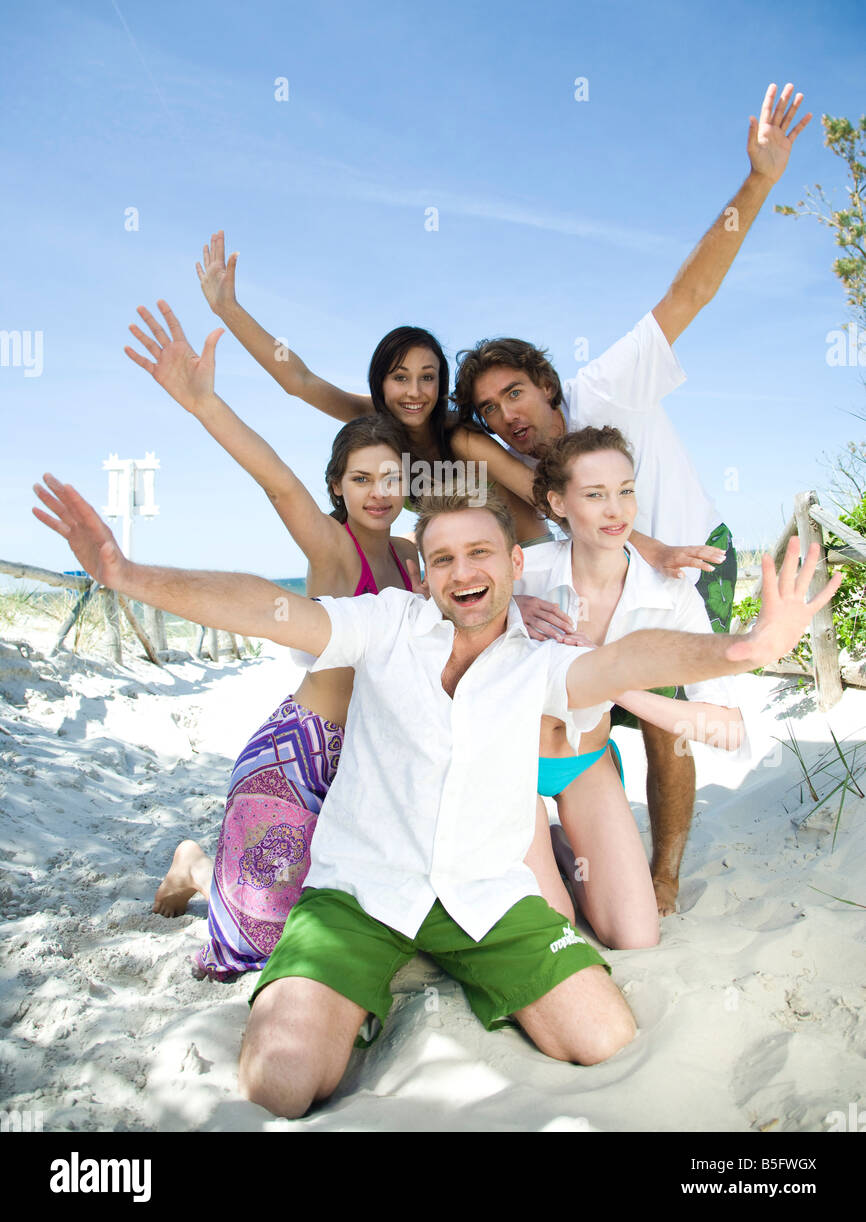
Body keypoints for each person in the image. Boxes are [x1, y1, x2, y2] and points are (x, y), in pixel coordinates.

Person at [32, 476, 839, 1116]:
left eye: (481, 553)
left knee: (605, 1036)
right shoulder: (385, 626)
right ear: (424, 573)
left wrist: (743, 648)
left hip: (486, 895)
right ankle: (357, 968)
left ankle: (428, 964)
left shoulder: (539, 662)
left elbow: (631, 657)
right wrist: (127, 574)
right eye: (444, 558)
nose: (464, 573)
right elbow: (269, 607)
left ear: (515, 564)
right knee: (278, 1082)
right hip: (360, 892)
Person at [452, 81, 812, 912]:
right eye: (490, 412)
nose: (507, 416)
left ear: (546, 383)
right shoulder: (533, 474)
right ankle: (581, 855)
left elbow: (689, 296)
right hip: (605, 572)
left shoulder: (605, 387)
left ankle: (667, 870)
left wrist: (757, 180)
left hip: (694, 556)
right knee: (572, 707)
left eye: (515, 394)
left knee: (663, 724)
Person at [124, 300, 418, 977]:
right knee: (251, 952)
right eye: (361, 478)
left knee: (343, 918)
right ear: (338, 487)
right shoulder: (333, 548)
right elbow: (278, 482)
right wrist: (205, 403)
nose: (379, 491)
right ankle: (193, 866)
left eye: (392, 477)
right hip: (299, 756)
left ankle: (215, 873)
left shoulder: (412, 556)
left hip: (368, 762)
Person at [518, 426, 744, 946]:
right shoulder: (521, 572)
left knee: (635, 936)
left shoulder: (672, 596)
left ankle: (562, 844)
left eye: (626, 490)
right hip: (512, 764)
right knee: (554, 927)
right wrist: (508, 609)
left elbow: (725, 728)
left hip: (586, 763)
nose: (616, 509)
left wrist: (615, 680)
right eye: (595, 495)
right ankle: (543, 847)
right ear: (558, 503)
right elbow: (430, 616)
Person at [193, 231, 552, 543]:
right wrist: (228, 309)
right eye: (400, 377)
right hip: (471, 568)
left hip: (528, 554)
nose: (414, 392)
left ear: (440, 383)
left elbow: (538, 492)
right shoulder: (375, 425)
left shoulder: (459, 435)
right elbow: (298, 381)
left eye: (427, 377)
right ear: (380, 383)